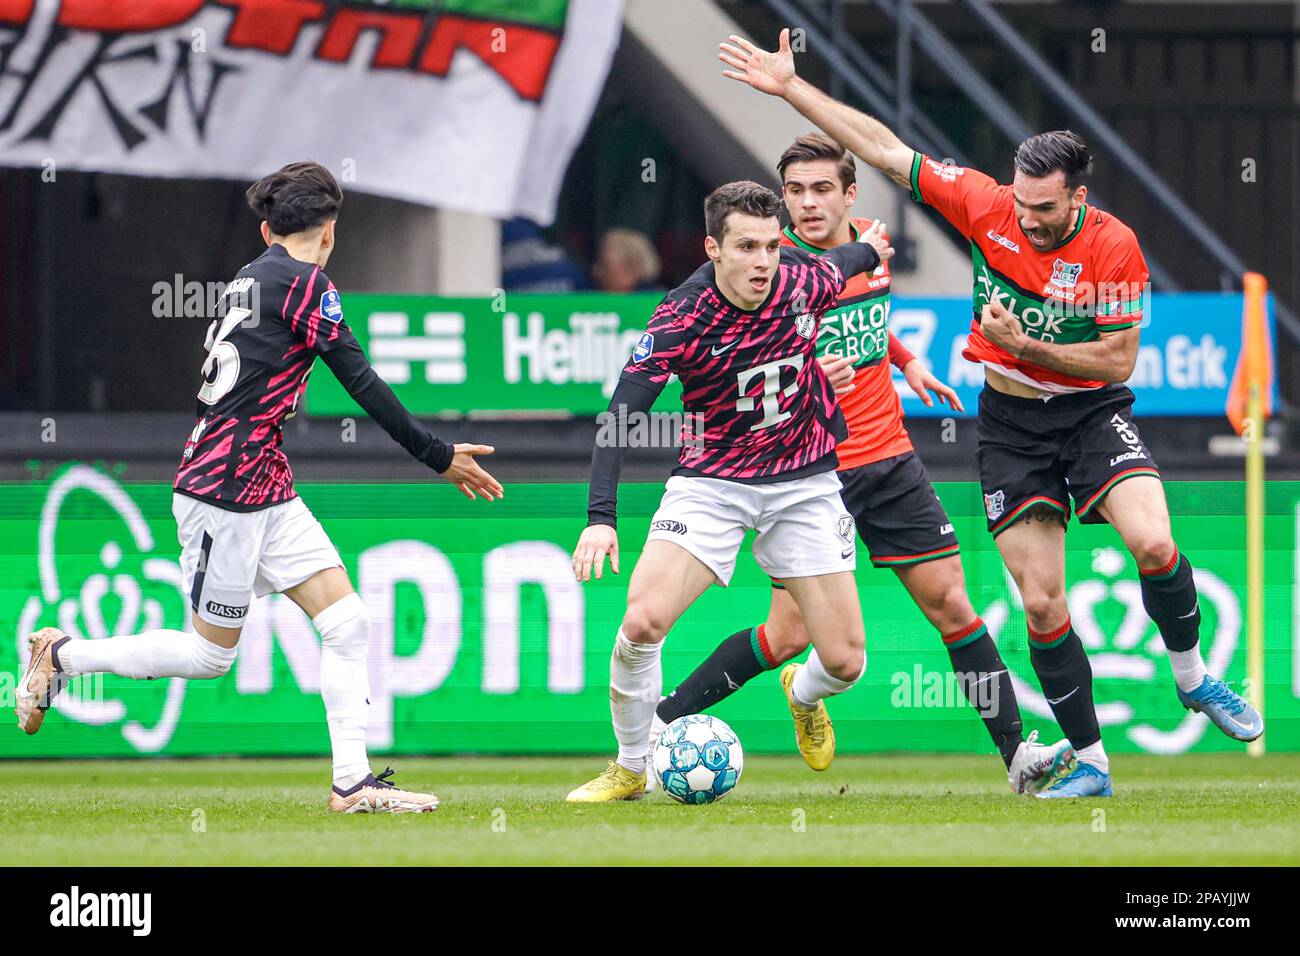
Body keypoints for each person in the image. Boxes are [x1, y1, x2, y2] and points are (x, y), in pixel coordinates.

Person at [718, 29, 1262, 798]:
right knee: (1041, 604)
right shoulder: (987, 204)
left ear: (1079, 196)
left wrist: (1028, 342)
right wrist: (789, 88)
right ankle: (1094, 765)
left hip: (1092, 414)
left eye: (1044, 207)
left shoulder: (1115, 248)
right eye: (1020, 200)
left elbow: (1117, 361)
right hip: (1009, 428)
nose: (1027, 217)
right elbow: (880, 147)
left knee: (1154, 542)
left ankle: (1194, 676)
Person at [15, 162, 503, 813]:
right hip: (226, 489)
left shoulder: (251, 278)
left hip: (262, 483)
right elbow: (362, 383)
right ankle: (63, 655)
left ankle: (352, 783)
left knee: (347, 621)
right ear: (329, 232)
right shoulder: (308, 285)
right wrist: (439, 455)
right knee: (209, 655)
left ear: (270, 228)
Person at [651, 133, 1073, 795]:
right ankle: (662, 722)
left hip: (890, 457)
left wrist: (908, 363)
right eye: (795, 191)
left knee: (954, 605)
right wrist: (808, 372)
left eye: (822, 189)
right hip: (807, 472)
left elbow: (867, 314)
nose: (807, 203)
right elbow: (739, 360)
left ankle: (1018, 756)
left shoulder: (872, 245)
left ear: (852, 194)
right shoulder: (769, 267)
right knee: (789, 636)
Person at [566, 180, 886, 802]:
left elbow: (841, 262)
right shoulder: (679, 318)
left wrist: (871, 248)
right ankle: (632, 765)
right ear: (713, 247)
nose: (763, 261)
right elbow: (620, 415)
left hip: (805, 482)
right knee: (640, 622)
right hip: (712, 483)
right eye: (746, 247)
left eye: (771, 245)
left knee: (845, 662)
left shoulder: (801, 279)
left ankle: (802, 691)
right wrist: (600, 517)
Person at [592, 228, 662, 292]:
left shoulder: (659, 301)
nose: (595, 271)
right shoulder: (591, 298)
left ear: (631, 268)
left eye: (604, 267)